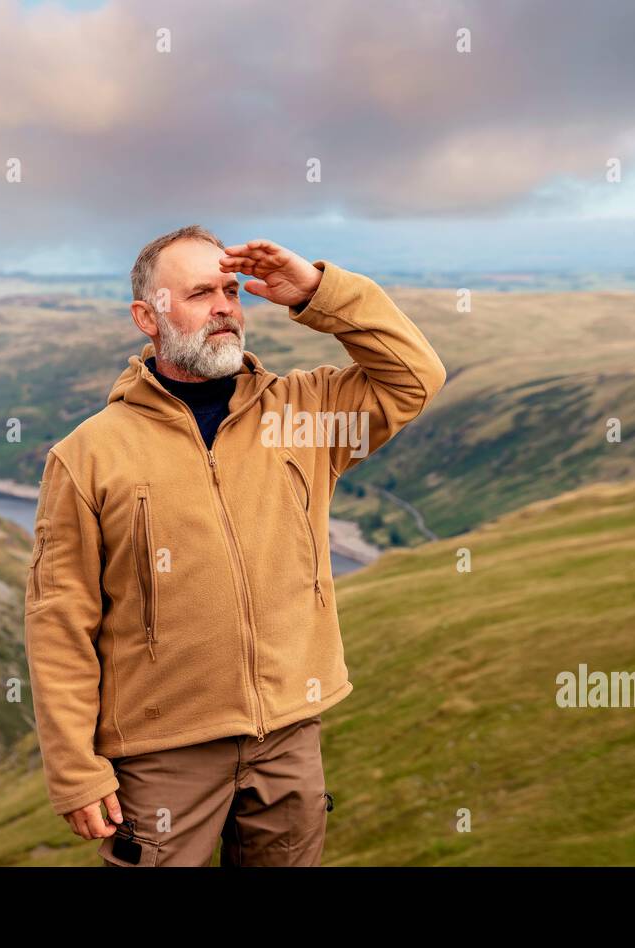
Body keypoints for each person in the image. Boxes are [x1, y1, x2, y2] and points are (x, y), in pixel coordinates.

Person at [23, 224, 445, 865]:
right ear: (147, 316)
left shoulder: (304, 413)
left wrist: (316, 291)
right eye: (199, 293)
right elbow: (60, 622)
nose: (224, 306)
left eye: (230, 290)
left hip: (289, 734)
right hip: (161, 751)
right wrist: (75, 769)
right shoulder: (87, 456)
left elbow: (415, 378)